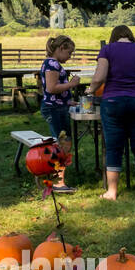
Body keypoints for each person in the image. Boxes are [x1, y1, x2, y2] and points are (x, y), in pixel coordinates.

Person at [91, 25, 135, 200]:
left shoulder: (107, 50)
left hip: (113, 101)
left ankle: (112, 192)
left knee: (114, 148)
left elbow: (99, 77)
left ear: (114, 37)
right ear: (130, 36)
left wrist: (91, 90)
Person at [38, 35, 80, 193]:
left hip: (58, 106)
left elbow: (53, 92)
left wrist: (67, 101)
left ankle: (57, 179)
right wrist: (72, 84)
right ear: (61, 48)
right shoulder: (52, 63)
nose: (70, 57)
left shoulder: (52, 63)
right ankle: (58, 182)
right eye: (69, 53)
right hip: (54, 109)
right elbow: (51, 88)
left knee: (64, 143)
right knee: (62, 144)